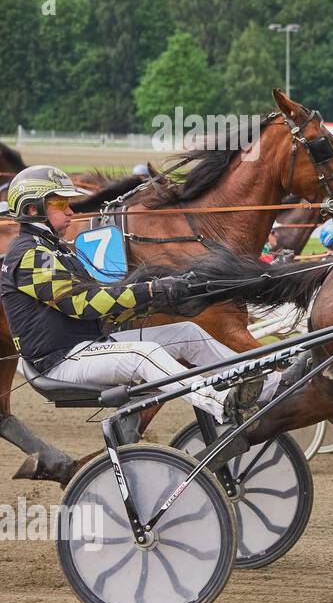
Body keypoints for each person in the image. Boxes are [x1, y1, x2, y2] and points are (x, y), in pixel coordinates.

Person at [0, 165, 276, 424]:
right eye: (60, 204)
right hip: (62, 361)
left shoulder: (56, 250)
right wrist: (152, 290)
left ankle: (268, 383)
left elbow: (104, 296)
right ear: (32, 208)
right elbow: (82, 303)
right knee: (145, 354)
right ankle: (218, 401)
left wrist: (168, 294)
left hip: (90, 346)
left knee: (188, 334)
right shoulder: (30, 255)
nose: (71, 212)